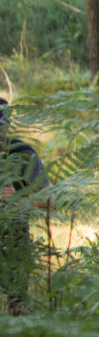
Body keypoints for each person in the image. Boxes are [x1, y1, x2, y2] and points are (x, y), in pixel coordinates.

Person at [0, 98, 49, 314]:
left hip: (13, 240)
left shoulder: (22, 153)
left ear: (8, 125)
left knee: (18, 303)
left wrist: (18, 199)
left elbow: (50, 200)